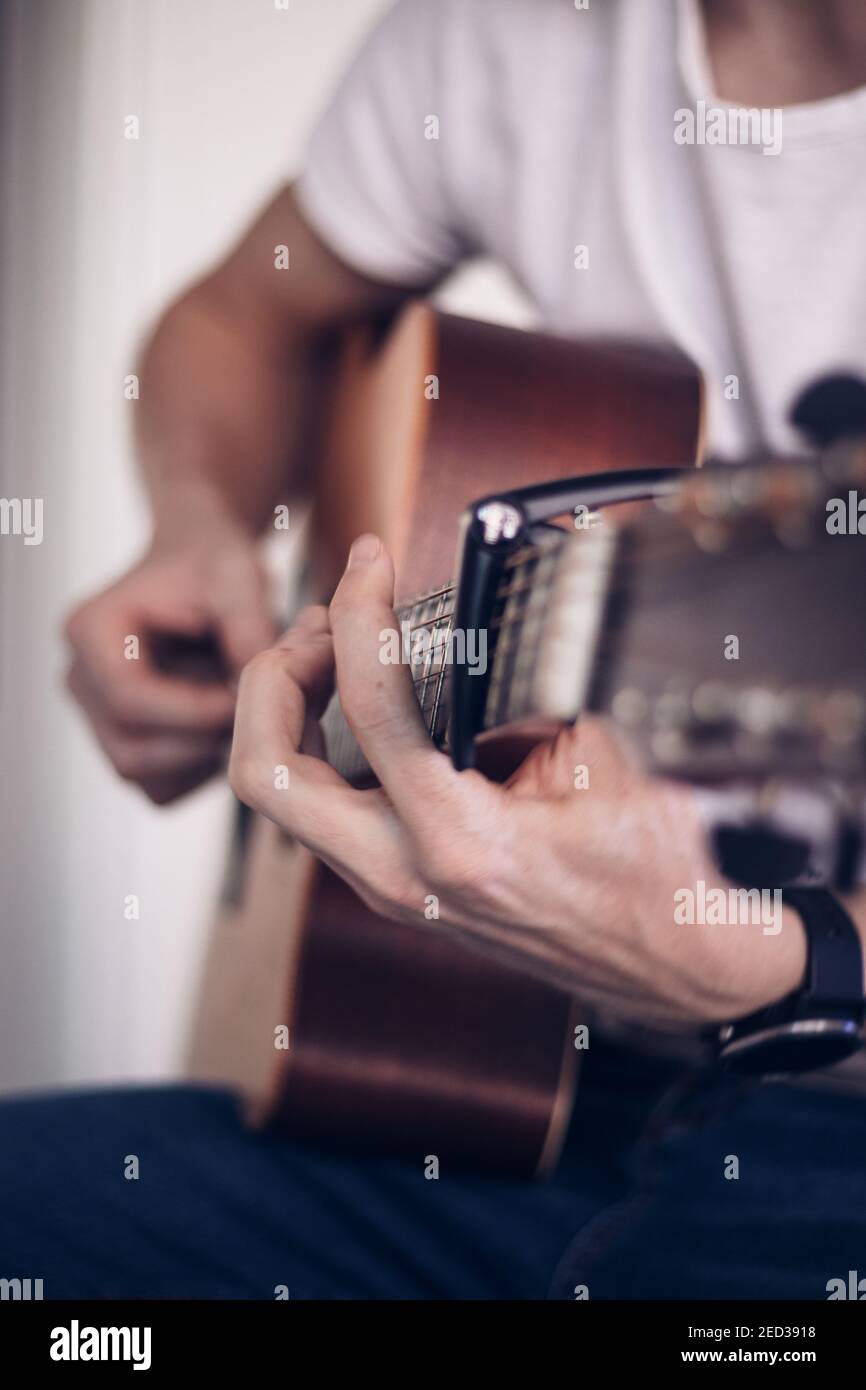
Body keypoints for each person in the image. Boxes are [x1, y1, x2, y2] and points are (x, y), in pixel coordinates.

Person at [4, 0, 866, 1299]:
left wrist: (768, 972)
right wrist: (198, 525)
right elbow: (239, 318)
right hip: (508, 1058)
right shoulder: (503, 35)